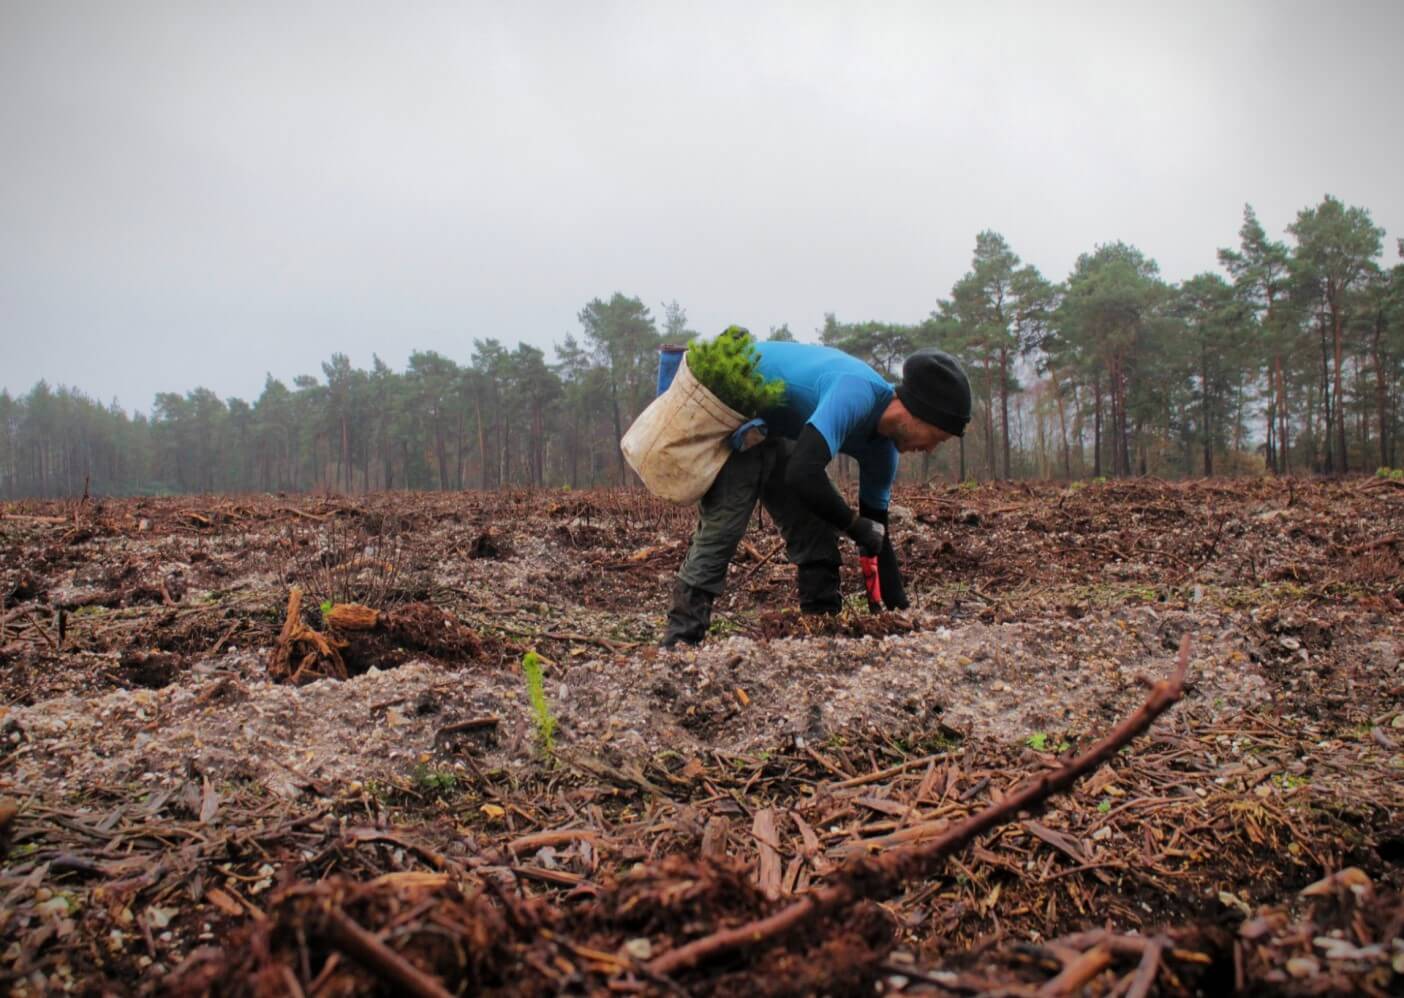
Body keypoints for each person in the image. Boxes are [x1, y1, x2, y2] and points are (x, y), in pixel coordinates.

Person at [661, 340, 972, 647]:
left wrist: (899, 614)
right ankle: (680, 643)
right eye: (937, 437)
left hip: (779, 426)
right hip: (739, 413)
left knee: (816, 530)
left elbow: (877, 536)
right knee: (725, 527)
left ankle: (821, 632)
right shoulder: (856, 392)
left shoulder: (884, 452)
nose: (930, 448)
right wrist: (853, 525)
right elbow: (802, 474)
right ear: (917, 414)